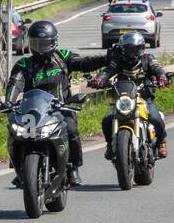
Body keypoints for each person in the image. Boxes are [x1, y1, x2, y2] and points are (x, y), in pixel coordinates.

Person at [6, 20, 107, 187]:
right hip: (33, 111)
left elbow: (84, 63)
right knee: (15, 132)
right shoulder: (24, 64)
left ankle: (72, 167)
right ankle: (21, 169)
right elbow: (15, 83)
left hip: (60, 108)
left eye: (45, 43)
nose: (40, 47)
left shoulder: (63, 57)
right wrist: (9, 101)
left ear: (54, 42)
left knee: (71, 129)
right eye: (36, 43)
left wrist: (106, 58)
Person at [91, 31, 169, 159]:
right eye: (128, 49)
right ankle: (110, 145)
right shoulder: (117, 61)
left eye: (134, 49)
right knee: (107, 121)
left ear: (141, 49)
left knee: (156, 118)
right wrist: (99, 79)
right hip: (123, 100)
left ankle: (161, 142)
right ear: (122, 50)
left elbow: (156, 68)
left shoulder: (148, 59)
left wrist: (162, 76)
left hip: (144, 98)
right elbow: (107, 71)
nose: (131, 53)